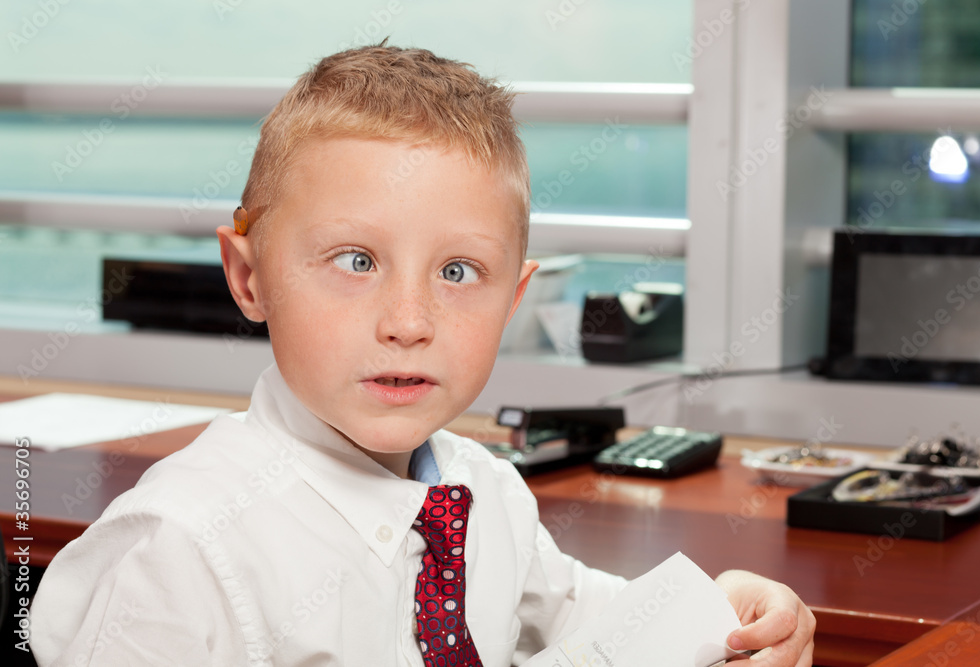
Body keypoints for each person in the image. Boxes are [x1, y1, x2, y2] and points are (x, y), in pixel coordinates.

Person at [30, 44, 815, 666]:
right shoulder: (179, 549)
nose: (409, 322)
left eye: (458, 272)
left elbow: (591, 624)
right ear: (249, 277)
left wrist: (726, 613)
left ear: (513, 300)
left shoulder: (487, 494)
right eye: (356, 260)